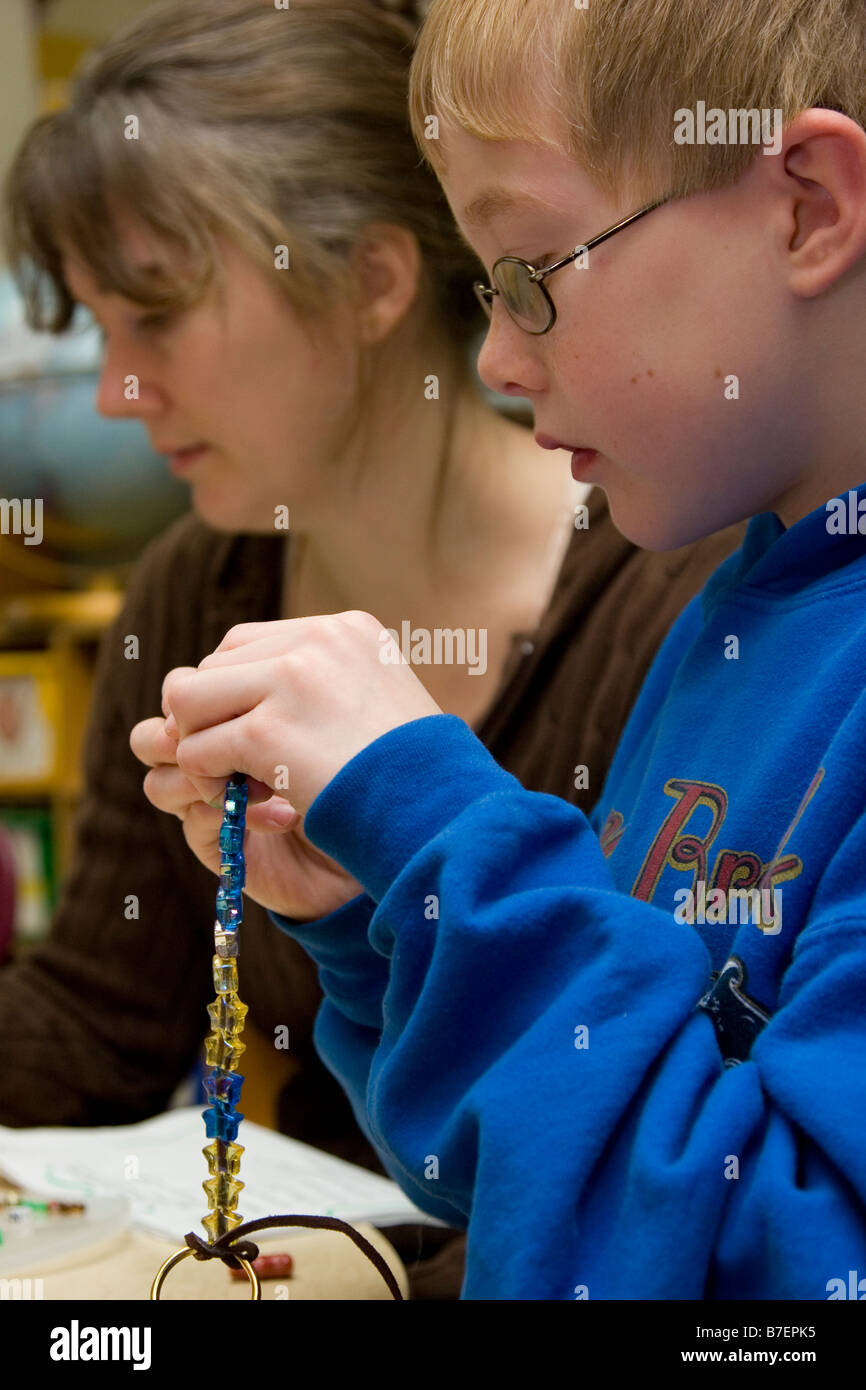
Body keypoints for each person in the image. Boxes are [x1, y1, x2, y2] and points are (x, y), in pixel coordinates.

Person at [2, 0, 741, 1297]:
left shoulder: (674, 593)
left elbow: (665, 1151)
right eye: (95, 328)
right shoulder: (200, 584)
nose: (117, 391)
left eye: (156, 317)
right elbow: (97, 1028)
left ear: (373, 283)